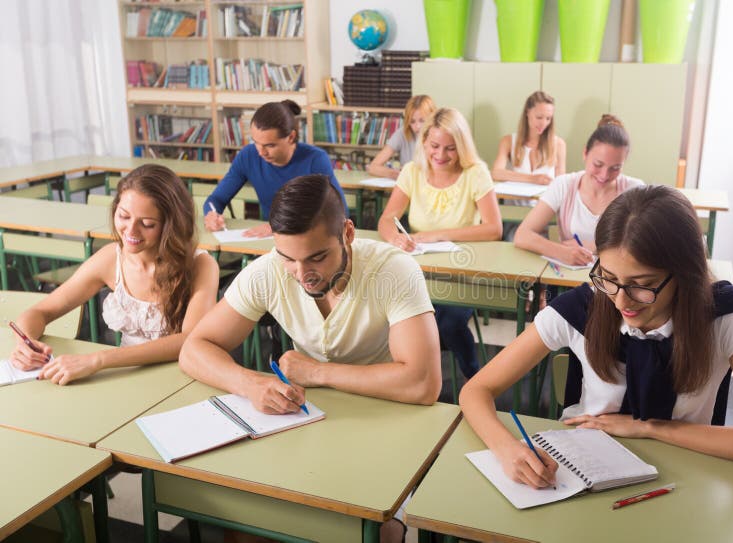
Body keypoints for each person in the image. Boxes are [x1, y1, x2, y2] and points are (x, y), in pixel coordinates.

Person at [460, 185, 733, 490]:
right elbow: (476, 391)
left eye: (641, 284)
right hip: (580, 474)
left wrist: (650, 427)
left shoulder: (727, 316)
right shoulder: (583, 307)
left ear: (685, 275)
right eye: (608, 277)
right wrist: (507, 450)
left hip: (688, 477)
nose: (620, 301)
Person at [183, 174, 440, 542]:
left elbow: (423, 383)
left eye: (317, 257)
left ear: (348, 233)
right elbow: (194, 349)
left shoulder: (394, 270)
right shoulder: (269, 270)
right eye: (289, 258)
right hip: (307, 419)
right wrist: (249, 383)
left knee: (380, 533)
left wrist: (317, 372)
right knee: (245, 527)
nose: (302, 274)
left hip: (387, 417)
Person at [9, 164, 219, 385]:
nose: (131, 231)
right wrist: (25, 343)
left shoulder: (201, 265)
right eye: (124, 216)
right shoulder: (111, 258)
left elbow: (189, 340)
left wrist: (98, 360)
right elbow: (41, 311)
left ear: (170, 226)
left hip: (181, 379)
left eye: (147, 224)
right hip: (126, 377)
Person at [377, 107, 503, 381]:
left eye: (451, 148)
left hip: (463, 270)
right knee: (390, 315)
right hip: (418, 269)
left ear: (462, 147)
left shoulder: (475, 173)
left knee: (448, 321)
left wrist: (438, 234)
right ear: (424, 143)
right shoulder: (412, 171)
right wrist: (395, 237)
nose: (441, 155)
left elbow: (494, 229)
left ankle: (474, 377)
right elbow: (387, 218)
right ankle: (404, 377)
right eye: (434, 146)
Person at [203, 99, 348, 237]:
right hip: (269, 239)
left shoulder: (315, 160)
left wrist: (277, 227)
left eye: (270, 145)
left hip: (307, 237)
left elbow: (339, 211)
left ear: (291, 137)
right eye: (256, 142)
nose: (261, 152)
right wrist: (211, 215)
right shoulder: (248, 155)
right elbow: (216, 199)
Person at [514, 114, 644, 266]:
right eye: (598, 164)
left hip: (616, 283)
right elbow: (522, 235)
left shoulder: (634, 191)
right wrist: (562, 252)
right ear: (585, 153)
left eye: (615, 168)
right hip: (570, 278)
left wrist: (595, 246)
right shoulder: (564, 185)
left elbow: (643, 245)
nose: (604, 175)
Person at [491, 90, 566, 187]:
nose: (544, 124)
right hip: (514, 201)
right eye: (539, 117)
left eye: (548, 118)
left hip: (545, 201)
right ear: (527, 112)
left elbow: (561, 185)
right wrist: (533, 179)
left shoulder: (559, 144)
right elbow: (496, 173)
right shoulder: (508, 141)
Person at [367, 94, 436, 180]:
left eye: (422, 121)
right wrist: (394, 173)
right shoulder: (403, 133)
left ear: (432, 118)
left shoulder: (440, 135)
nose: (417, 126)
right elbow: (373, 167)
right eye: (412, 121)